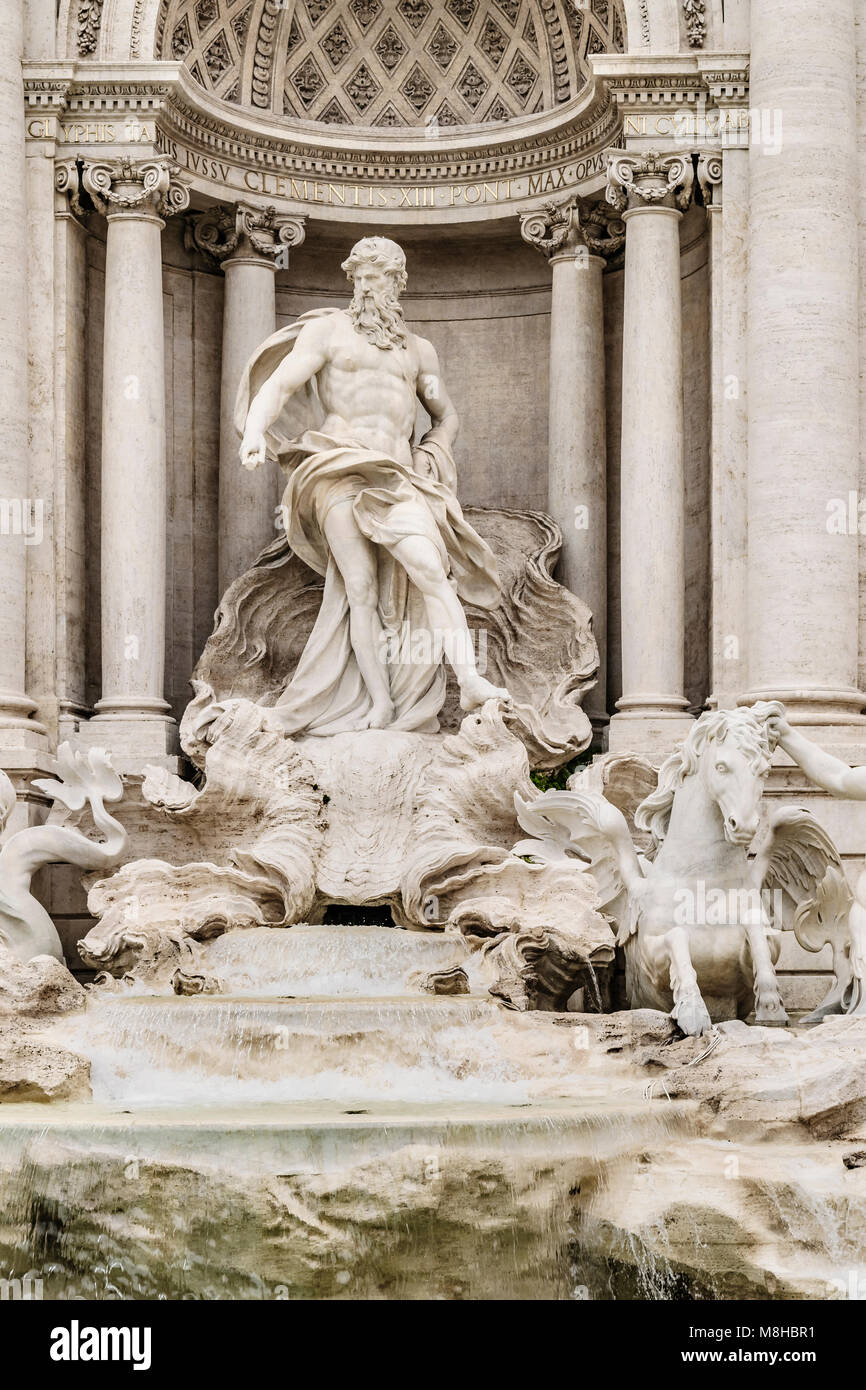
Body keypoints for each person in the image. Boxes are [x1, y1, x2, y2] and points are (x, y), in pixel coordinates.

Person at [236, 235, 510, 735]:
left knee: (432, 569)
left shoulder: (419, 351)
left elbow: (446, 416)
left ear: (397, 283)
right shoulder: (328, 332)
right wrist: (255, 431)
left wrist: (432, 451)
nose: (366, 285)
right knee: (358, 587)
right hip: (338, 467)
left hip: (398, 477)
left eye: (376, 276)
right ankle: (379, 703)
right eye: (359, 276)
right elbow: (279, 385)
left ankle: (470, 679)